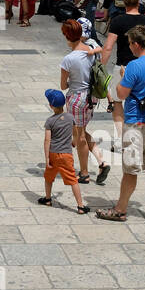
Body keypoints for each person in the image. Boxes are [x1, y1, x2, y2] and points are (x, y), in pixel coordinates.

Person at [95, 26, 145, 224]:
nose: (129, 47)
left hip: (135, 123)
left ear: (136, 44)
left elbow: (121, 95)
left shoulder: (133, 66)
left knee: (131, 169)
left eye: (130, 44)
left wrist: (123, 73)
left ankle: (120, 209)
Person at [99, 0, 145, 143]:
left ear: (123, 3)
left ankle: (121, 137)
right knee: (143, 99)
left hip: (123, 65)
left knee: (117, 101)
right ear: (139, 2)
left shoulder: (118, 21)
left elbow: (108, 46)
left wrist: (101, 67)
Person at [60, 19, 109, 186]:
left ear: (67, 36)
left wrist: (71, 81)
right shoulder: (90, 50)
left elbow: (62, 85)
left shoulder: (68, 59)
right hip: (91, 97)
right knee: (81, 131)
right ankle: (101, 161)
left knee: (79, 136)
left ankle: (84, 172)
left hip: (76, 98)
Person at [39, 89, 90, 213]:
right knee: (73, 180)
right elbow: (76, 132)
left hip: (53, 154)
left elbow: (47, 140)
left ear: (51, 105)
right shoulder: (70, 117)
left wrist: (46, 158)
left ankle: (47, 199)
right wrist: (74, 142)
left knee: (49, 177)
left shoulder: (50, 121)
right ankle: (80, 206)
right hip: (66, 155)